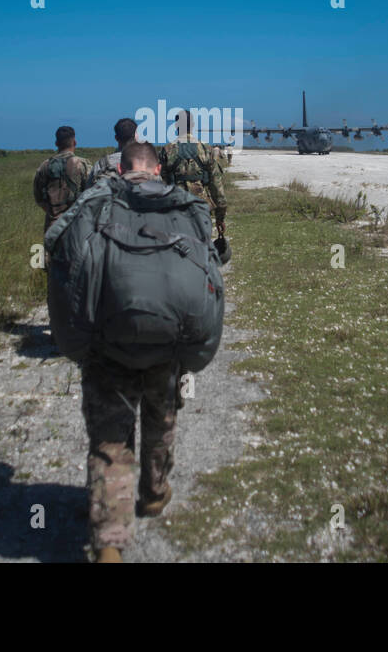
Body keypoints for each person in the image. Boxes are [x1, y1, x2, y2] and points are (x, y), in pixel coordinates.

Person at [52, 141, 209, 562]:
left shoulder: (96, 204)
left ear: (121, 170)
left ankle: (109, 540)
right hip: (167, 343)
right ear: (158, 170)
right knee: (161, 418)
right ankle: (155, 493)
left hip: (109, 346)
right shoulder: (186, 208)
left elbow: (67, 270)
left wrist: (77, 343)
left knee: (110, 440)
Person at [158, 109, 227, 241]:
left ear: (176, 126)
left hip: (175, 208)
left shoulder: (166, 150)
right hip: (201, 207)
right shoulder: (206, 149)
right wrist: (220, 217)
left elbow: (160, 184)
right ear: (193, 125)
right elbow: (216, 186)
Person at [33, 125, 92, 232]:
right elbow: (91, 193)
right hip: (76, 225)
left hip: (52, 226)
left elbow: (39, 198)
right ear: (74, 142)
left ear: (56, 143)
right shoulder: (82, 164)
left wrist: (53, 212)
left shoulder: (45, 166)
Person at [86, 117, 138, 188]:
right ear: (136, 137)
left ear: (116, 138)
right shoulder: (146, 163)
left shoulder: (100, 164)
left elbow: (89, 191)